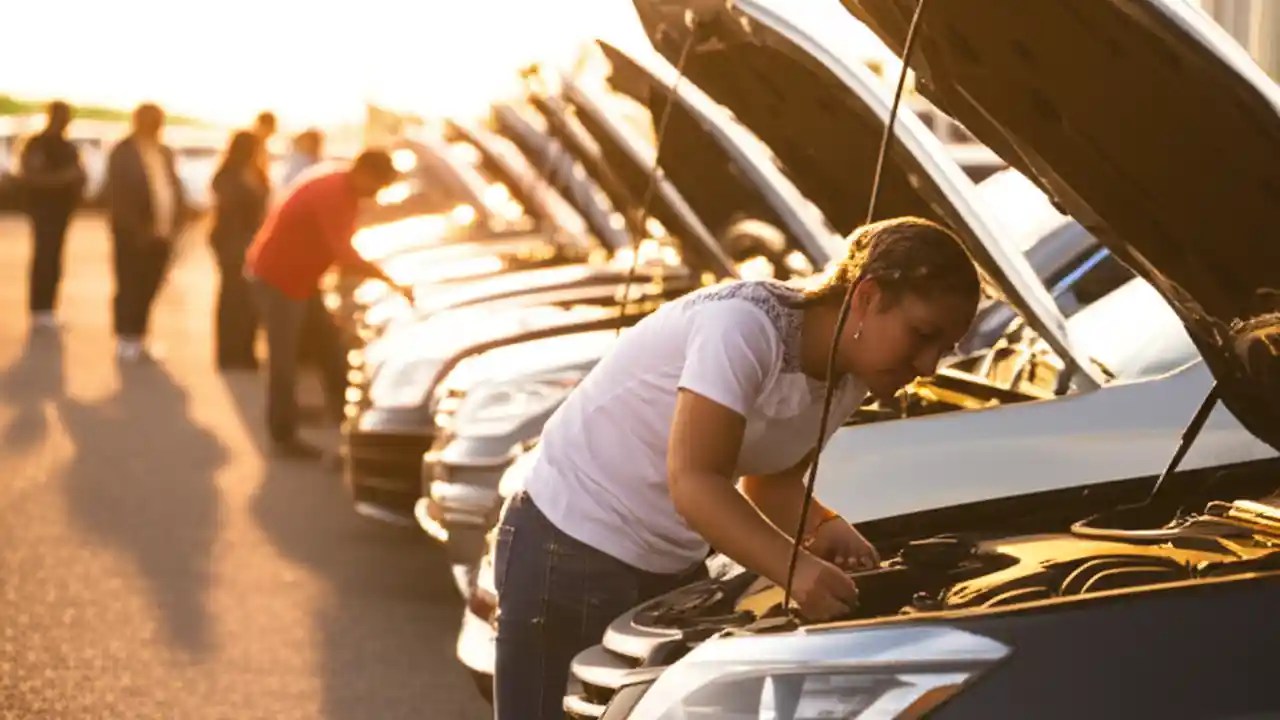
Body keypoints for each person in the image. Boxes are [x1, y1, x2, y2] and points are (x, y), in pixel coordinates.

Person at [492, 217, 983, 719]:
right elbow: (695, 482)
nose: (927, 365)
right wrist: (796, 572)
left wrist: (825, 527)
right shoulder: (743, 326)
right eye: (922, 335)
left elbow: (770, 481)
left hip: (669, 561)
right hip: (568, 541)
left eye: (943, 349)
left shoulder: (851, 373)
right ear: (868, 297)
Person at [244, 150, 412, 459]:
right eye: (379, 185)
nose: (377, 194)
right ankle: (283, 435)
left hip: (302, 280)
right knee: (284, 359)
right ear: (365, 173)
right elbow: (344, 254)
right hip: (280, 279)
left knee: (329, 348)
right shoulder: (334, 193)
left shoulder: (340, 184)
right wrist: (391, 281)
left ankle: (344, 418)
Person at [105, 103, 187, 362]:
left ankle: (139, 335)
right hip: (132, 234)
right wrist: (136, 229)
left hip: (162, 232)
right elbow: (117, 196)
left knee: (150, 285)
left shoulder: (164, 152)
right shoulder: (123, 151)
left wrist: (179, 221)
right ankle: (125, 337)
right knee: (130, 283)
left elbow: (172, 187)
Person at [19, 101, 85, 331]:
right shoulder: (37, 144)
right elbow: (32, 176)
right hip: (43, 210)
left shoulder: (66, 146)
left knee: (54, 258)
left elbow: (78, 175)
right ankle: (40, 309)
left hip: (61, 211)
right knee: (44, 258)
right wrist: (65, 178)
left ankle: (48, 307)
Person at [209, 131, 270, 370]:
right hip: (231, 243)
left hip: (251, 243)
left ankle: (245, 351)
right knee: (231, 298)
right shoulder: (227, 176)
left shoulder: (257, 174)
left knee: (248, 300)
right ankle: (229, 353)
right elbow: (230, 212)